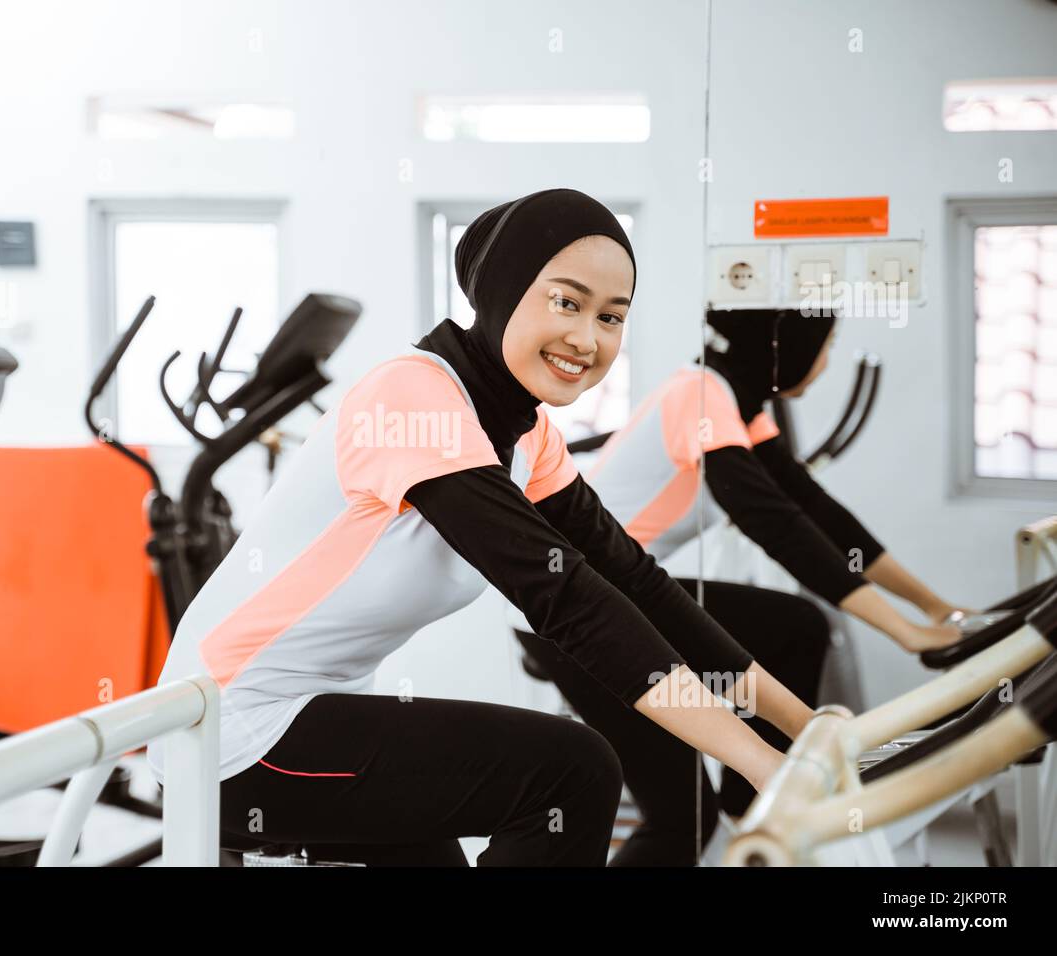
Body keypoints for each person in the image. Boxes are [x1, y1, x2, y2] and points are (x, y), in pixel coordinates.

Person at [151, 188, 816, 866]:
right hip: (235, 736)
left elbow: (636, 582)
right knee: (571, 773)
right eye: (566, 302)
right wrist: (758, 761)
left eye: (612, 317)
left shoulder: (527, 437)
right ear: (502, 293)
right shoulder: (413, 399)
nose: (588, 339)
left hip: (314, 718)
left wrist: (801, 727)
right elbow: (566, 600)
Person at [514, 306, 969, 865]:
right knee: (682, 821)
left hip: (608, 593)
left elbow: (816, 512)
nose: (826, 363)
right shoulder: (700, 397)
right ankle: (752, 808)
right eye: (824, 346)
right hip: (571, 612)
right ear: (791, 348)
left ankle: (750, 804)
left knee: (794, 630)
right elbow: (774, 524)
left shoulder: (732, 399)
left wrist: (934, 609)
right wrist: (906, 632)